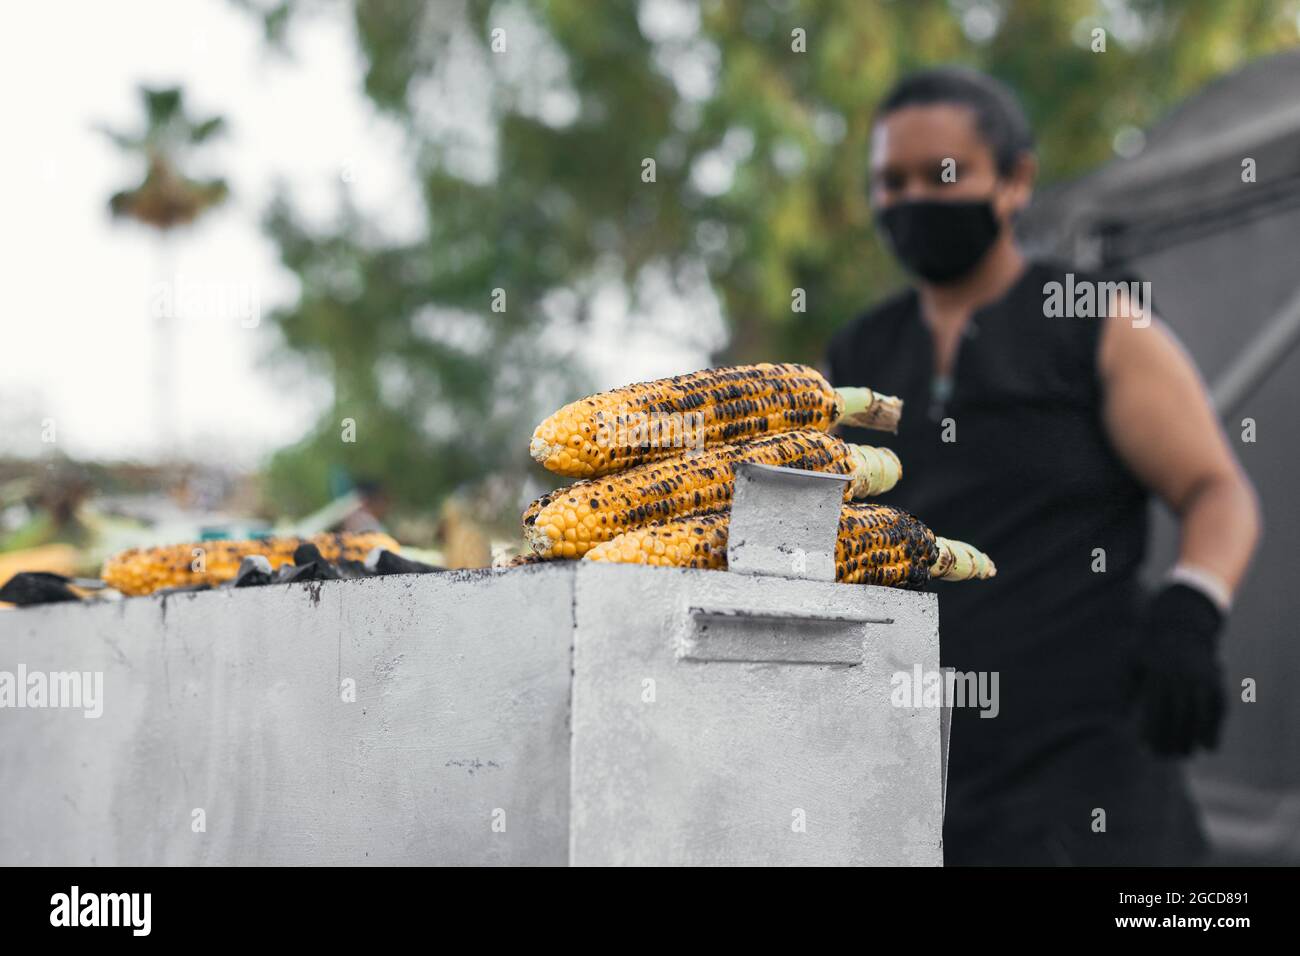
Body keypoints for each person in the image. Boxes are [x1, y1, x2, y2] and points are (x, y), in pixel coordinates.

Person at [826, 67, 1261, 865]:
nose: (913, 196)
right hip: (927, 780)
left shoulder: (1092, 321)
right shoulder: (861, 354)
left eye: (942, 175)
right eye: (891, 181)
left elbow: (1217, 491)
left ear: (1015, 180)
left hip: (1092, 777)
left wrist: (1191, 608)